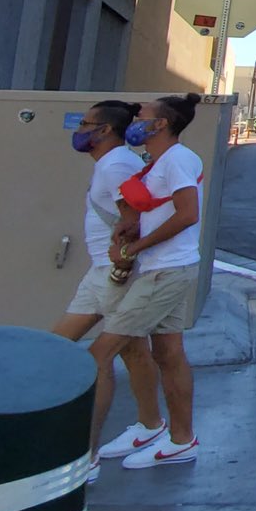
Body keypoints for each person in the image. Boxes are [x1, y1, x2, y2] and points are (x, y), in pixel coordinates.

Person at [52, 100, 166, 480]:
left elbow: (134, 216)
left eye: (86, 123)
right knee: (126, 351)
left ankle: (88, 457)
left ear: (103, 131)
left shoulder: (116, 164)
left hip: (116, 272)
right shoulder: (114, 162)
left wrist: (124, 259)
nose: (80, 128)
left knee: (98, 357)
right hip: (103, 271)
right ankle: (151, 425)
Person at [94, 93, 206, 471]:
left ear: (161, 124)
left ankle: (85, 457)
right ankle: (178, 439)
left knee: (100, 353)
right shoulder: (161, 161)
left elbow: (188, 214)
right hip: (165, 267)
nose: (135, 119)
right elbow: (161, 210)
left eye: (142, 114)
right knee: (168, 354)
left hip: (165, 271)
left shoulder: (176, 160)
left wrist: (134, 249)